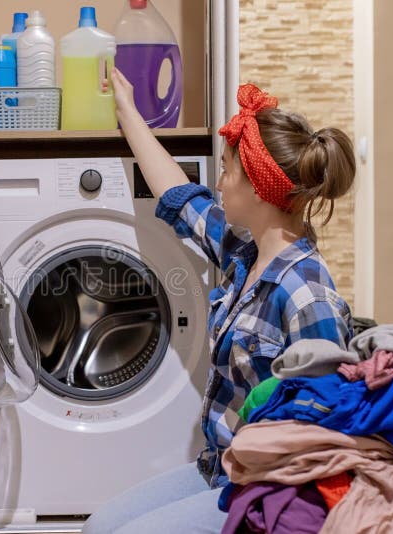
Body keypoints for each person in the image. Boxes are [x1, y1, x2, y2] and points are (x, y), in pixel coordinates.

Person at [82, 71, 357, 533]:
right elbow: (178, 195)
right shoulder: (243, 252)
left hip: (267, 490)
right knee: (98, 527)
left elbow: (330, 431)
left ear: (258, 189)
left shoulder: (307, 296)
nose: (220, 182)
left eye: (227, 170)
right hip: (220, 469)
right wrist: (127, 108)